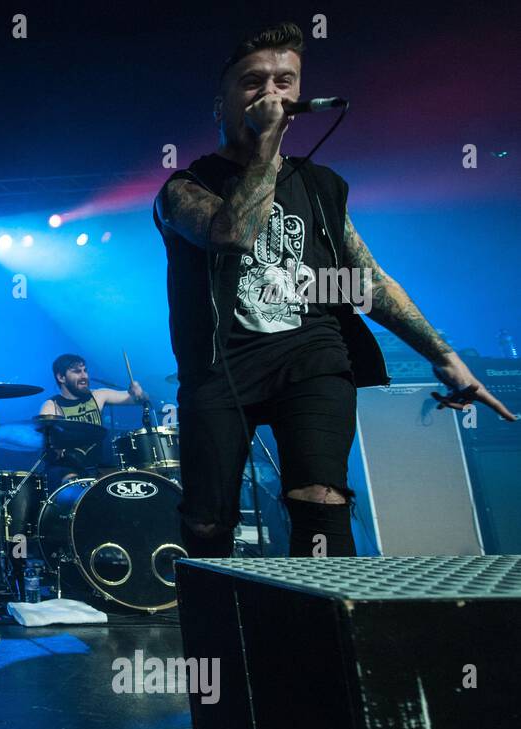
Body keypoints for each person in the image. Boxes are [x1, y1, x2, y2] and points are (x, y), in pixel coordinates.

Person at [153, 21, 515, 558]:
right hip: (219, 366)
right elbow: (234, 235)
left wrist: (443, 355)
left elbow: (366, 278)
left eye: (285, 82)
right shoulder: (183, 188)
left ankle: (324, 636)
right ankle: (225, 635)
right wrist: (265, 151)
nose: (271, 94)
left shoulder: (321, 186)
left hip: (312, 355)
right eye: (254, 82)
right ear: (221, 102)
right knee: (208, 524)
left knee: (320, 496)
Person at [38, 353, 147, 483]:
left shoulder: (98, 396)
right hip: (69, 471)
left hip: (100, 469)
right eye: (77, 372)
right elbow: (48, 451)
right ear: (61, 377)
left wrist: (139, 393)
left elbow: (139, 400)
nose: (84, 376)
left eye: (85, 370)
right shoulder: (51, 406)